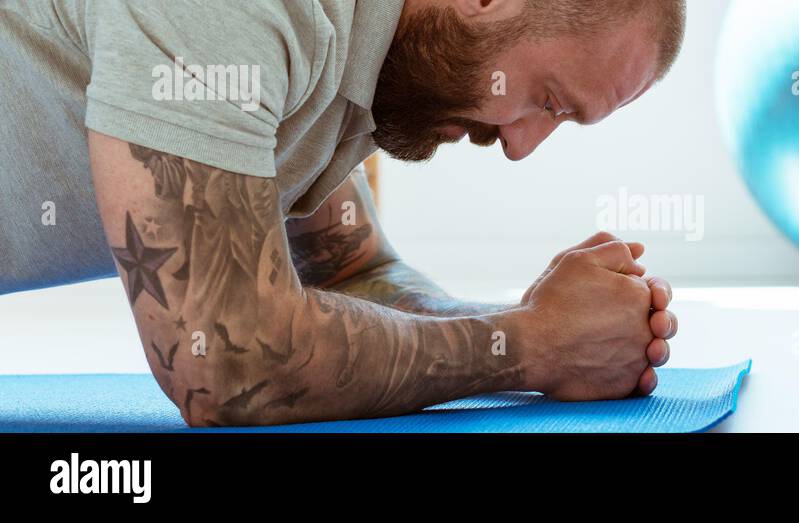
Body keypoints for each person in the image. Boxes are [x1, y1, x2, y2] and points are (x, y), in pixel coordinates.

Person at [0, 0, 685, 426]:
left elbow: (356, 268)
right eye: (549, 100)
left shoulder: (362, 51)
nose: (520, 146)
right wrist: (532, 345)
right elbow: (226, 362)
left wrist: (544, 324)